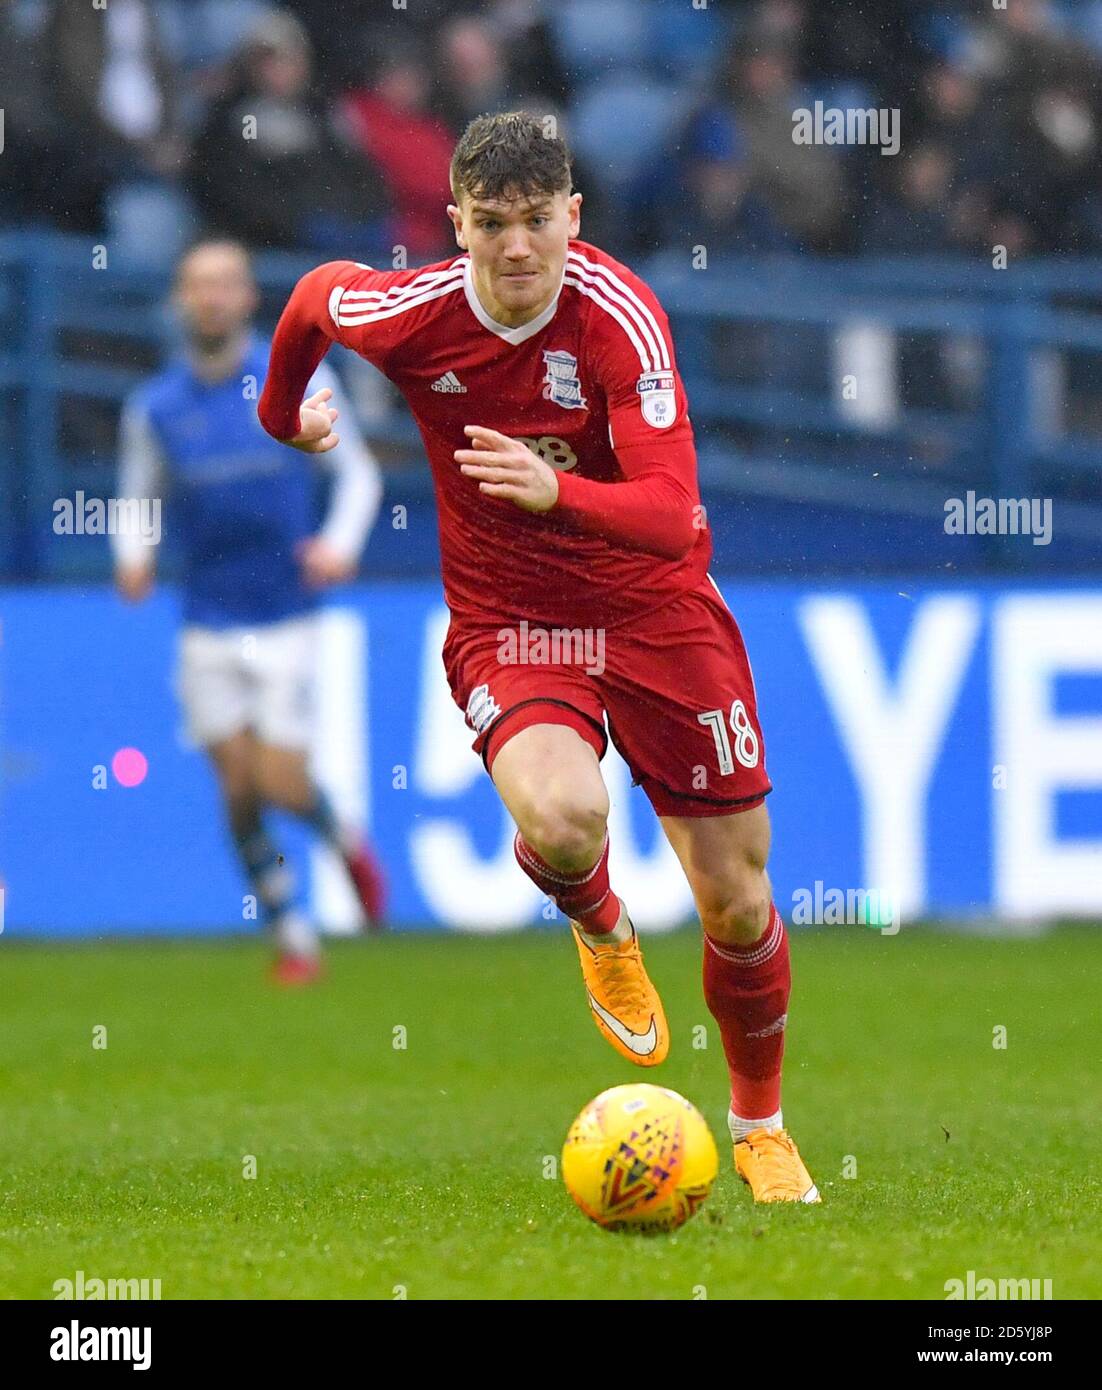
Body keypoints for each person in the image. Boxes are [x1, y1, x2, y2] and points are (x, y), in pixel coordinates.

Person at [257, 112, 818, 1201]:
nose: (518, 248)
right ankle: (598, 917)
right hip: (513, 625)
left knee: (738, 900)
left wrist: (555, 486)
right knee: (562, 820)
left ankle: (760, 1127)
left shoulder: (619, 320)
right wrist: (283, 415)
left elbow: (671, 512)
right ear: (455, 224)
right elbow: (312, 295)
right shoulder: (414, 314)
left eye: (537, 222)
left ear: (573, 216)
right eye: (492, 224)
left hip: (656, 615)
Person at [114, 238, 387, 985]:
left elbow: (356, 473)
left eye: (225, 284)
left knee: (278, 782)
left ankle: (344, 838)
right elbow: (139, 493)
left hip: (287, 616)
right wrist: (133, 554)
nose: (211, 298)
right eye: (198, 285)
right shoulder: (157, 408)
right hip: (206, 619)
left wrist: (336, 543)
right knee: (235, 788)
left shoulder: (290, 375)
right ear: (179, 299)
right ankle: (294, 934)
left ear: (245, 298)